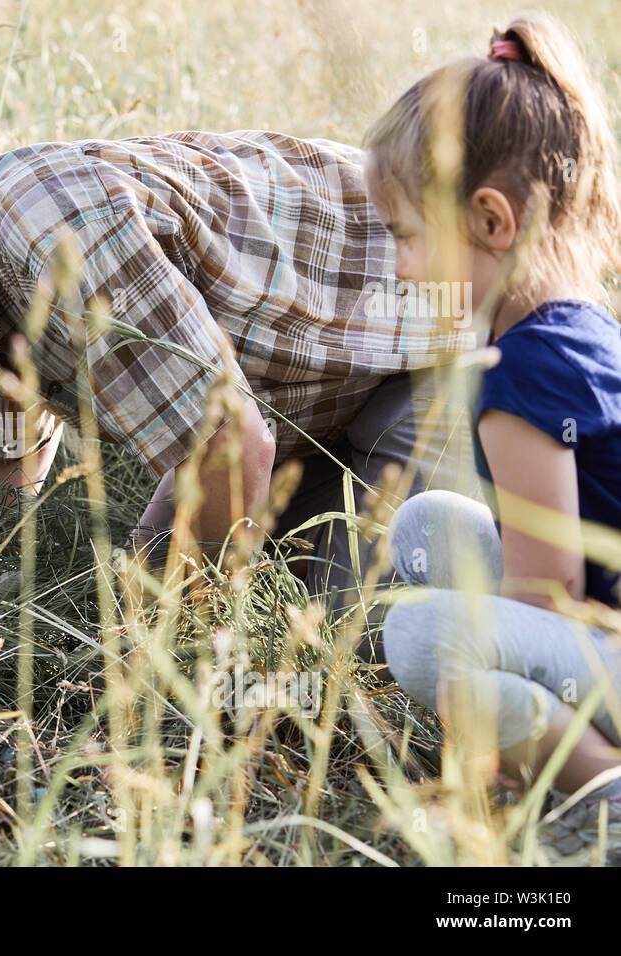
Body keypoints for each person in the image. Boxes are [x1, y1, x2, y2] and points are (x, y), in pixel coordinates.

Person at [0, 106, 477, 617]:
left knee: (358, 635)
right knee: (161, 591)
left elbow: (228, 445)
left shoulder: (40, 229)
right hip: (321, 410)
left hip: (442, 345)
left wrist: (169, 658)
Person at [369, 13, 621, 859]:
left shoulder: (522, 375)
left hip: (602, 638)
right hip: (604, 636)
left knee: (420, 636)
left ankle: (602, 791)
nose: (401, 267)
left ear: (490, 221)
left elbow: (547, 592)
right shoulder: (578, 326)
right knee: (426, 526)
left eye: (408, 236)